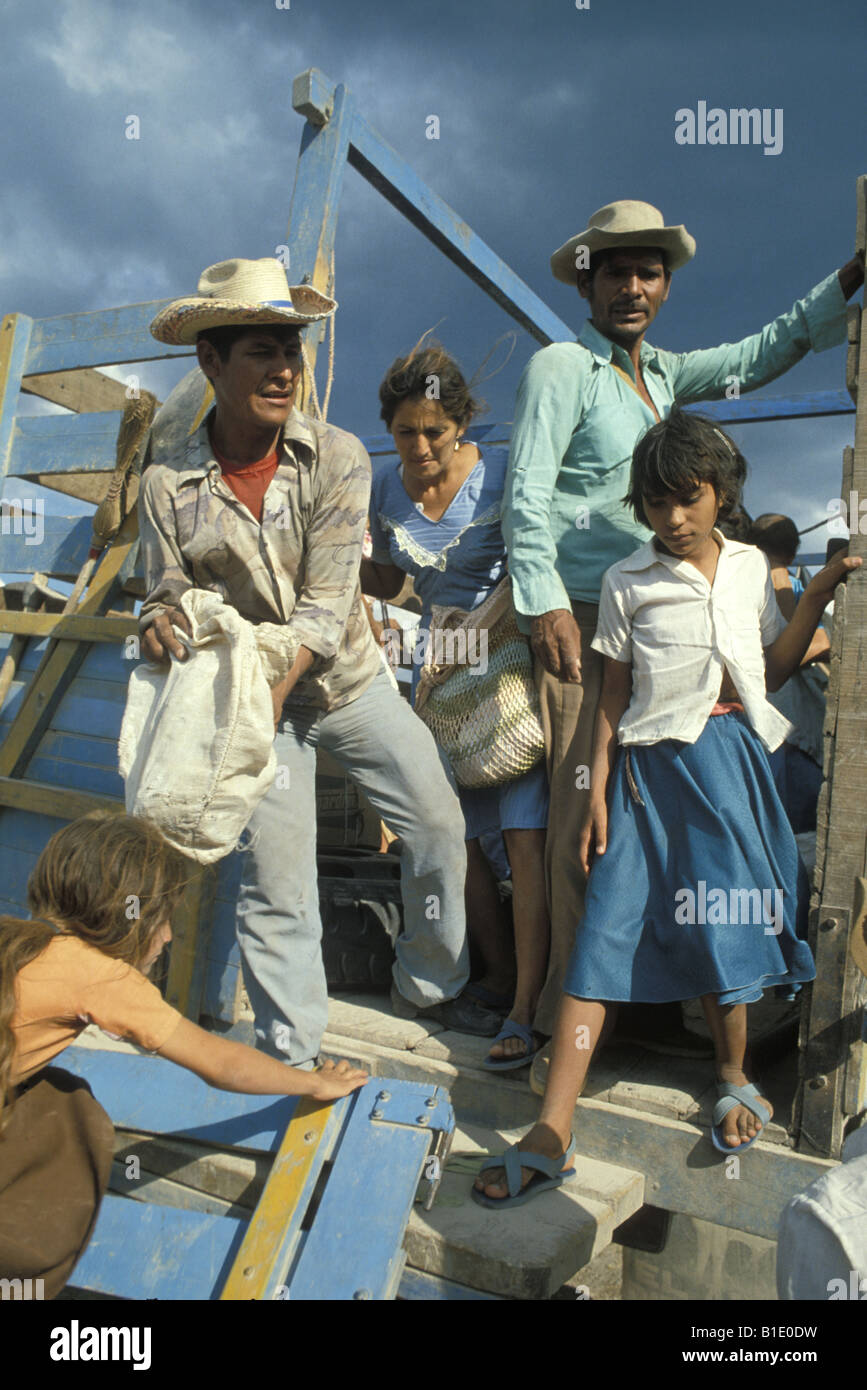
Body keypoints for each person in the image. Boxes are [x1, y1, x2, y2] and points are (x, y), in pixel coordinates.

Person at [474, 410, 861, 1208]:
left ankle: (729, 1075)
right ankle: (552, 1128)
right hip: (645, 779)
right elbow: (608, 704)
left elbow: (772, 669)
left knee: (724, 926)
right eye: (655, 505)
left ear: (721, 493)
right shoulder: (627, 581)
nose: (673, 520)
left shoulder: (752, 568)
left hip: (729, 767)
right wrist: (588, 800)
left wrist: (814, 594)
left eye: (687, 499)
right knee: (603, 935)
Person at [502, 199, 865, 1047]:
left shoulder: (660, 376)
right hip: (586, 612)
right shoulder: (563, 366)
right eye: (615, 270)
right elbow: (526, 487)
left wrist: (846, 280)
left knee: (643, 821)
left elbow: (758, 353)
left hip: (661, 616)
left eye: (648, 271)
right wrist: (543, 599)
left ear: (664, 284)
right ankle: (555, 1015)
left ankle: (640, 1009)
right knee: (580, 812)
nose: (631, 286)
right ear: (586, 280)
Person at [141, 258, 499, 1065]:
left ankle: (427, 985)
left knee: (438, 825)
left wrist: (278, 684)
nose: (282, 370)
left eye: (291, 351)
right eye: (261, 351)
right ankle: (292, 1055)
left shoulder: (336, 456)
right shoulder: (168, 485)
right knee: (278, 879)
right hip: (253, 700)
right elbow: (162, 589)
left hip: (346, 682)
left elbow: (328, 600)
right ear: (212, 363)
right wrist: (160, 623)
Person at [0, 812, 367, 1298]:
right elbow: (220, 1063)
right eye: (163, 916)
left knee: (56, 1098)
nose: (169, 934)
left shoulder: (19, 941)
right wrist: (314, 1082)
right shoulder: (97, 974)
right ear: (125, 913)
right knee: (71, 1117)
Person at [362, 343, 550, 1068]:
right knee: (453, 837)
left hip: (504, 667)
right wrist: (339, 563)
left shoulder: (500, 471)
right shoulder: (383, 487)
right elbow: (390, 578)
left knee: (525, 836)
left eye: (433, 431)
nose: (418, 446)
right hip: (438, 682)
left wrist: (490, 622)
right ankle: (494, 978)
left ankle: (532, 1000)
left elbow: (535, 555)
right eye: (404, 432)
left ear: (461, 425)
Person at [748, 513, 829, 832]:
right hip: (795, 731)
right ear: (794, 553)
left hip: (755, 724)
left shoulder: (734, 582)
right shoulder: (798, 589)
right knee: (796, 827)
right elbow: (813, 642)